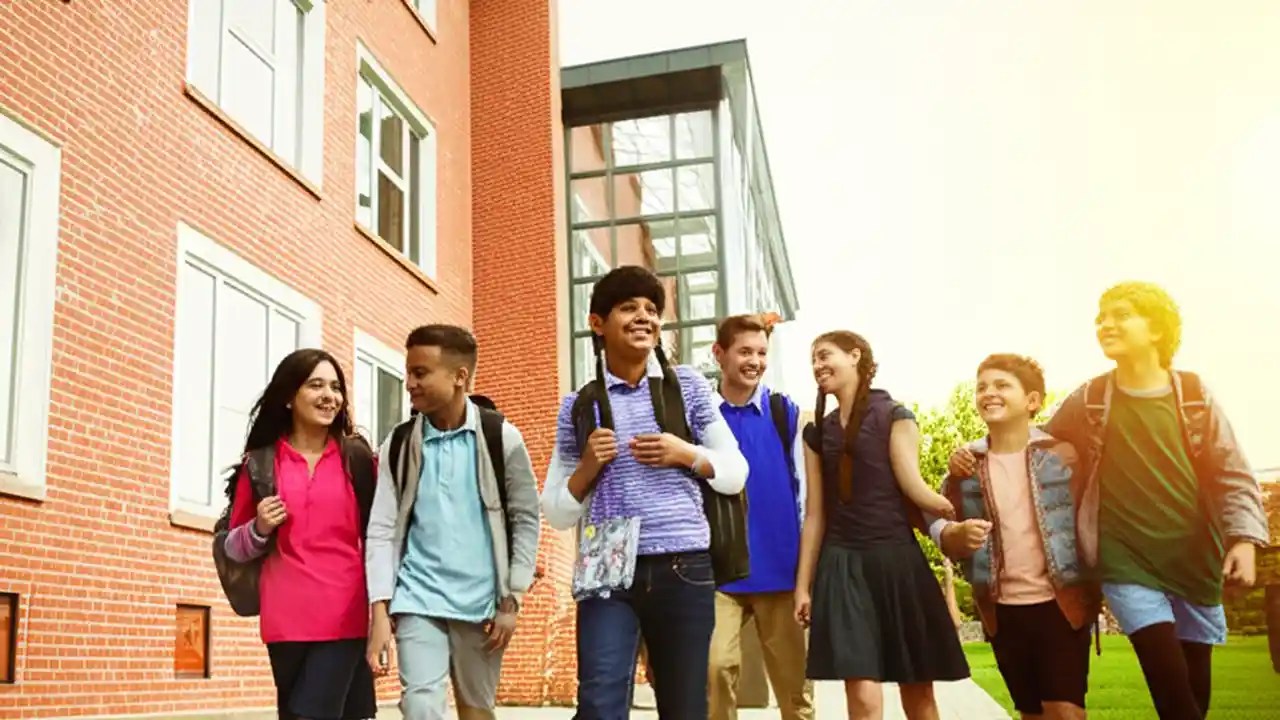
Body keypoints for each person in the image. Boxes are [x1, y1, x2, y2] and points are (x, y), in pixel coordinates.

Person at [949, 282, 1267, 720]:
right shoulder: (1092, 399)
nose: (1105, 324)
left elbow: (1231, 471)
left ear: (1157, 330)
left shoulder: (1193, 397)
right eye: (1101, 316)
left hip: (1195, 561)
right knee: (1170, 686)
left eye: (1120, 315)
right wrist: (973, 453)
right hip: (1124, 563)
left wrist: (1244, 539)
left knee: (1193, 690)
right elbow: (1030, 442)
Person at [541, 265, 749, 720]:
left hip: (683, 565)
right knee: (598, 704)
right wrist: (588, 468)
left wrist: (685, 453)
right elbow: (555, 511)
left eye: (652, 310)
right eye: (628, 307)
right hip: (605, 565)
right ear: (597, 323)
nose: (644, 317)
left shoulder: (689, 386)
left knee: (685, 707)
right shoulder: (579, 404)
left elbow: (735, 471)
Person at [365, 324, 541, 720]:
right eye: (409, 371)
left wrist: (513, 598)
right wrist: (379, 611)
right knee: (420, 705)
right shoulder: (398, 443)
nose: (409, 382)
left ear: (460, 376)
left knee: (476, 712)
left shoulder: (502, 438)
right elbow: (381, 529)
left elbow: (527, 518)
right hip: (417, 597)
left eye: (421, 373)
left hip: (482, 603)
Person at [794, 330, 968, 720]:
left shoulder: (895, 415)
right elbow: (815, 514)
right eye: (814, 360)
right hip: (843, 566)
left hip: (897, 560)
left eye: (825, 355)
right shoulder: (816, 433)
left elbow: (914, 487)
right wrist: (803, 587)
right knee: (862, 691)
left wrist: (954, 505)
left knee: (918, 691)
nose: (819, 366)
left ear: (855, 356)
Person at [930, 354, 1099, 720]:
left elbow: (1092, 517)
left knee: (1066, 712)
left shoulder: (1063, 456)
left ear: (1033, 401)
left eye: (1002, 385)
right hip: (1001, 610)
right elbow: (946, 527)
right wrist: (956, 535)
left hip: (1061, 605)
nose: (988, 393)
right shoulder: (966, 467)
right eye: (982, 387)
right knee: (1031, 713)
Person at [220, 348, 379, 720]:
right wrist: (258, 528)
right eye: (316, 385)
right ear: (289, 397)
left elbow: (379, 536)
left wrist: (383, 612)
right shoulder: (260, 463)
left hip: (345, 614)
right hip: (285, 620)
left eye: (336, 387)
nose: (330, 396)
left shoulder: (356, 458)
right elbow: (233, 547)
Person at [707, 313, 814, 720]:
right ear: (719, 354)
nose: (754, 360)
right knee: (716, 671)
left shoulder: (782, 412)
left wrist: (806, 575)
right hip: (721, 573)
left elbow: (804, 493)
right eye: (744, 351)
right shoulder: (702, 417)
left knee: (796, 693)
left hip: (781, 572)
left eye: (761, 352)